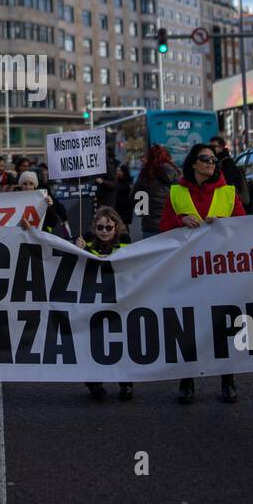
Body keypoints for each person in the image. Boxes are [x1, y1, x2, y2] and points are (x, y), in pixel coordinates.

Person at [159, 144, 247, 403]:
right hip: (186, 270)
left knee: (223, 325)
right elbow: (162, 228)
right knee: (189, 325)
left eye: (213, 159)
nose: (210, 162)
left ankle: (227, 380)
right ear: (193, 164)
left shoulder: (229, 193)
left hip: (221, 270)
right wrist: (179, 221)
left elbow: (245, 227)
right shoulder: (176, 192)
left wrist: (225, 224)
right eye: (204, 159)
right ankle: (187, 380)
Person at [77, 205, 134, 401]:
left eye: (108, 228)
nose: (104, 231)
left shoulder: (125, 243)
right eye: (100, 227)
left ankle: (126, 383)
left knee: (122, 342)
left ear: (116, 228)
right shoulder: (86, 241)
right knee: (93, 342)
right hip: (93, 300)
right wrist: (78, 250)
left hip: (119, 299)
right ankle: (94, 383)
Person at [136, 144, 180, 240]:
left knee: (151, 253)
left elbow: (136, 196)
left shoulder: (145, 173)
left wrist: (143, 213)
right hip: (171, 223)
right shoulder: (174, 172)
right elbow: (181, 197)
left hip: (150, 225)